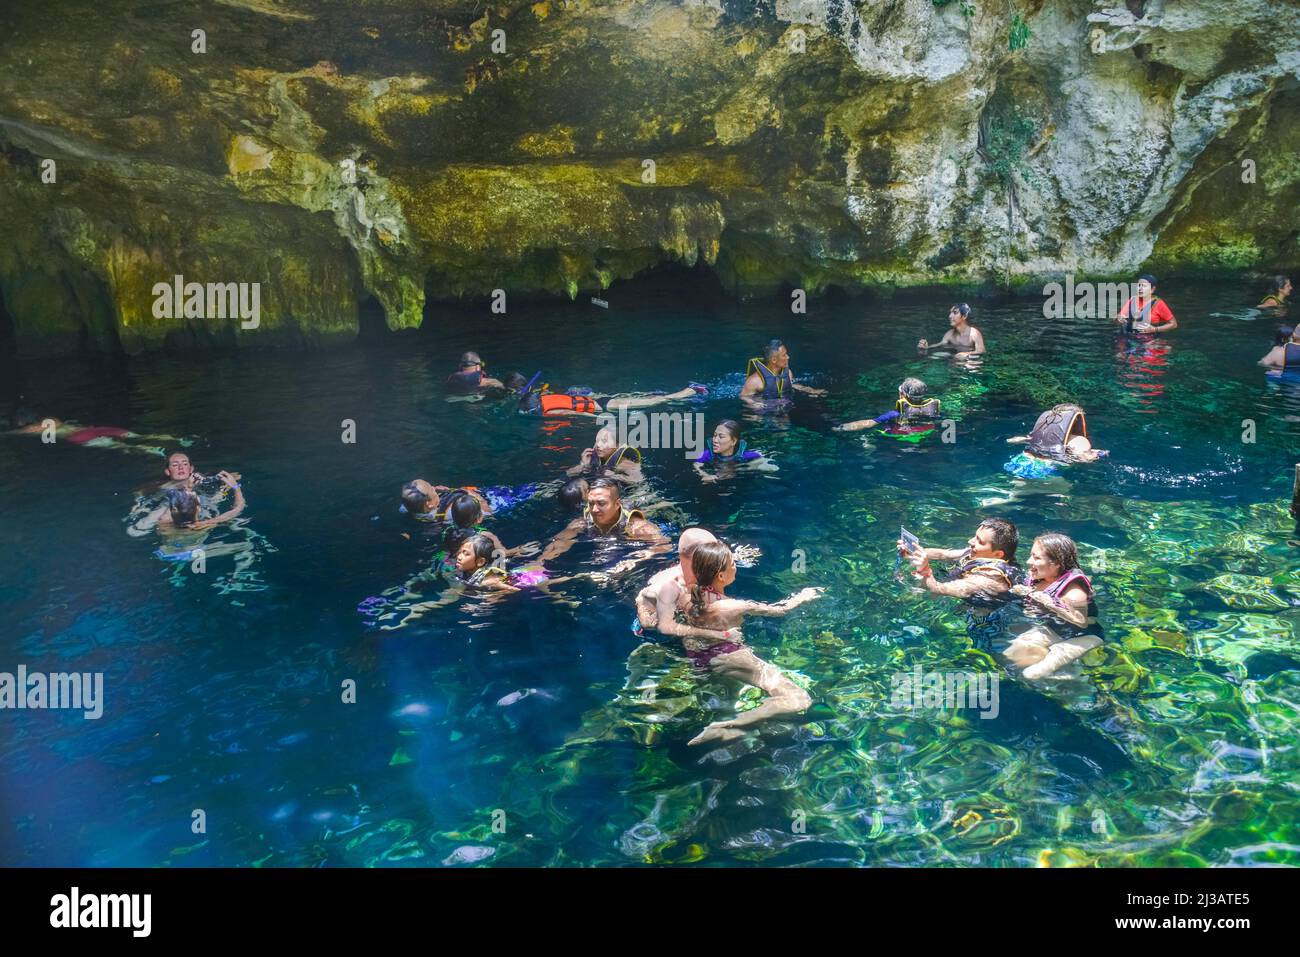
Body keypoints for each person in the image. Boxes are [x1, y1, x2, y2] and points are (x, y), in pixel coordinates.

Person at [673, 541, 823, 745]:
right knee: (798, 698)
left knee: (727, 702)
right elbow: (781, 610)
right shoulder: (736, 606)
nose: (736, 566)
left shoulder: (685, 598)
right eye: (733, 563)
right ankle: (729, 728)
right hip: (730, 656)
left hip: (698, 658)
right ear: (720, 576)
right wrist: (804, 596)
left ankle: (731, 728)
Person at [1007, 533, 1103, 679]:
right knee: (1013, 654)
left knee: (1032, 674)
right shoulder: (1040, 578)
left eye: (1036, 558)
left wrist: (1050, 603)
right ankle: (1069, 668)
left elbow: (1080, 622)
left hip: (1084, 635)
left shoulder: (1074, 591)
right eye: (1031, 555)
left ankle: (1076, 679)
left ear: (1057, 563)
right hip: (1054, 629)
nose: (1028, 561)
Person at [540, 478, 668, 563]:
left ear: (617, 504)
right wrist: (538, 563)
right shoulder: (584, 520)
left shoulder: (634, 525)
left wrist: (633, 560)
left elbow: (664, 545)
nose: (594, 509)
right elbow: (559, 543)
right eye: (591, 503)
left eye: (601, 503)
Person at [901, 518, 1019, 603]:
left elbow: (937, 589)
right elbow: (943, 554)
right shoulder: (979, 554)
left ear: (998, 554)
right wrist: (913, 552)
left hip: (982, 614)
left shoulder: (989, 578)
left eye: (980, 541)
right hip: (956, 581)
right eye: (975, 536)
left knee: (910, 597)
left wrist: (924, 569)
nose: (971, 541)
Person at [128, 471, 245, 535]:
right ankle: (224, 488)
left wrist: (189, 487)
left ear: (173, 510)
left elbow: (178, 505)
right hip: (192, 553)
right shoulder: (201, 526)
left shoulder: (163, 522)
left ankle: (223, 489)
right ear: (199, 509)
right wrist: (235, 487)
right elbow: (237, 509)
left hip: (168, 551)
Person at [1004, 404, 1107, 477]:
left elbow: (1010, 441)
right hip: (1046, 467)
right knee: (1064, 498)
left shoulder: (1040, 435)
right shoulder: (1080, 441)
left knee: (1014, 491)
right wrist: (1094, 455)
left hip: (1022, 459)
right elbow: (1083, 459)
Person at [518, 379, 705, 417]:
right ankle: (690, 390)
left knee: (655, 401)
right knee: (646, 397)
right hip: (601, 399)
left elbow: (570, 411)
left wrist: (596, 418)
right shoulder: (548, 396)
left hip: (607, 407)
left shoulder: (549, 412)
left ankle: (690, 390)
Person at [834, 377, 941, 435]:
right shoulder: (932, 409)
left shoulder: (895, 414)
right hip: (926, 432)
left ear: (902, 395)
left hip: (901, 435)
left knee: (872, 433)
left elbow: (869, 423)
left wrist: (842, 428)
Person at [740, 339, 826, 410]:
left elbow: (791, 385)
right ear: (774, 360)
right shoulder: (754, 381)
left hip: (784, 404)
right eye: (784, 355)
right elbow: (744, 396)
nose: (788, 357)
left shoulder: (788, 372)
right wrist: (755, 404)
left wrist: (810, 390)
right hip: (765, 408)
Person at [566, 426, 645, 484]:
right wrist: (583, 464)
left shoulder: (623, 463)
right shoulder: (591, 458)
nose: (598, 445)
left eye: (604, 441)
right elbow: (569, 473)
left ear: (617, 445)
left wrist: (615, 476)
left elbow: (639, 480)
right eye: (597, 440)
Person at [400, 479, 493, 521]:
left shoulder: (406, 507)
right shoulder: (452, 511)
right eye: (431, 489)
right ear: (429, 504)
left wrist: (447, 491)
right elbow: (488, 513)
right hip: (494, 503)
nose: (433, 487)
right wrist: (469, 492)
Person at [917, 303, 986, 358]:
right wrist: (926, 347)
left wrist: (966, 354)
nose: (950, 316)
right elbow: (940, 344)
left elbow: (981, 350)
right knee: (933, 356)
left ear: (964, 316)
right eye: (950, 313)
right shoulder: (949, 334)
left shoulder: (974, 333)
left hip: (970, 360)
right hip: (954, 357)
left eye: (955, 313)